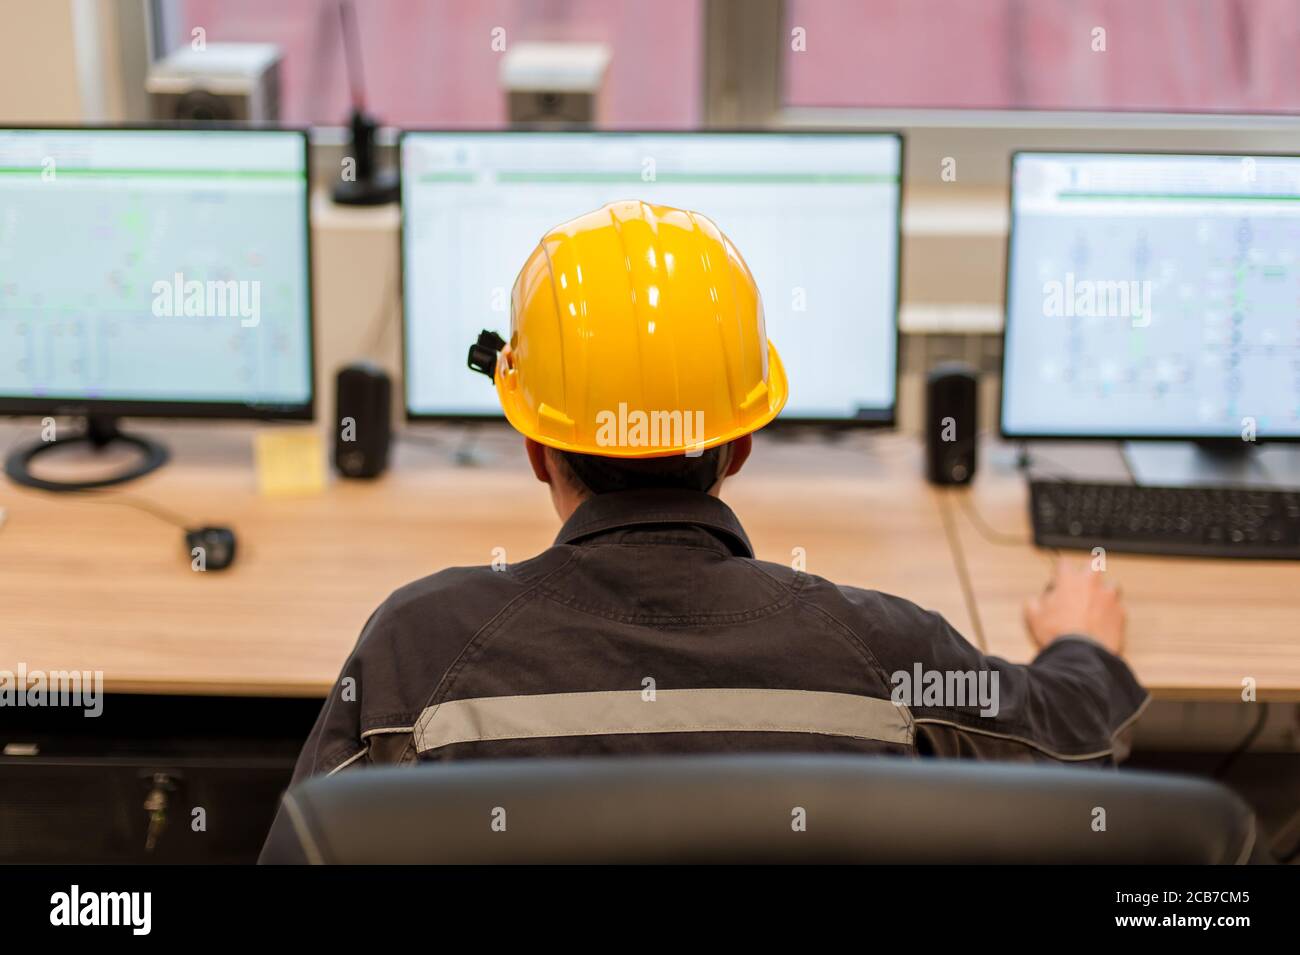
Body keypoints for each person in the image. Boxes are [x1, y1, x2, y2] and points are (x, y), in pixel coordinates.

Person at [279, 200, 1148, 789]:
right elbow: (1075, 737)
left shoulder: (418, 648)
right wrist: (1084, 647)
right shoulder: (886, 653)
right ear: (742, 442)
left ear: (536, 447)